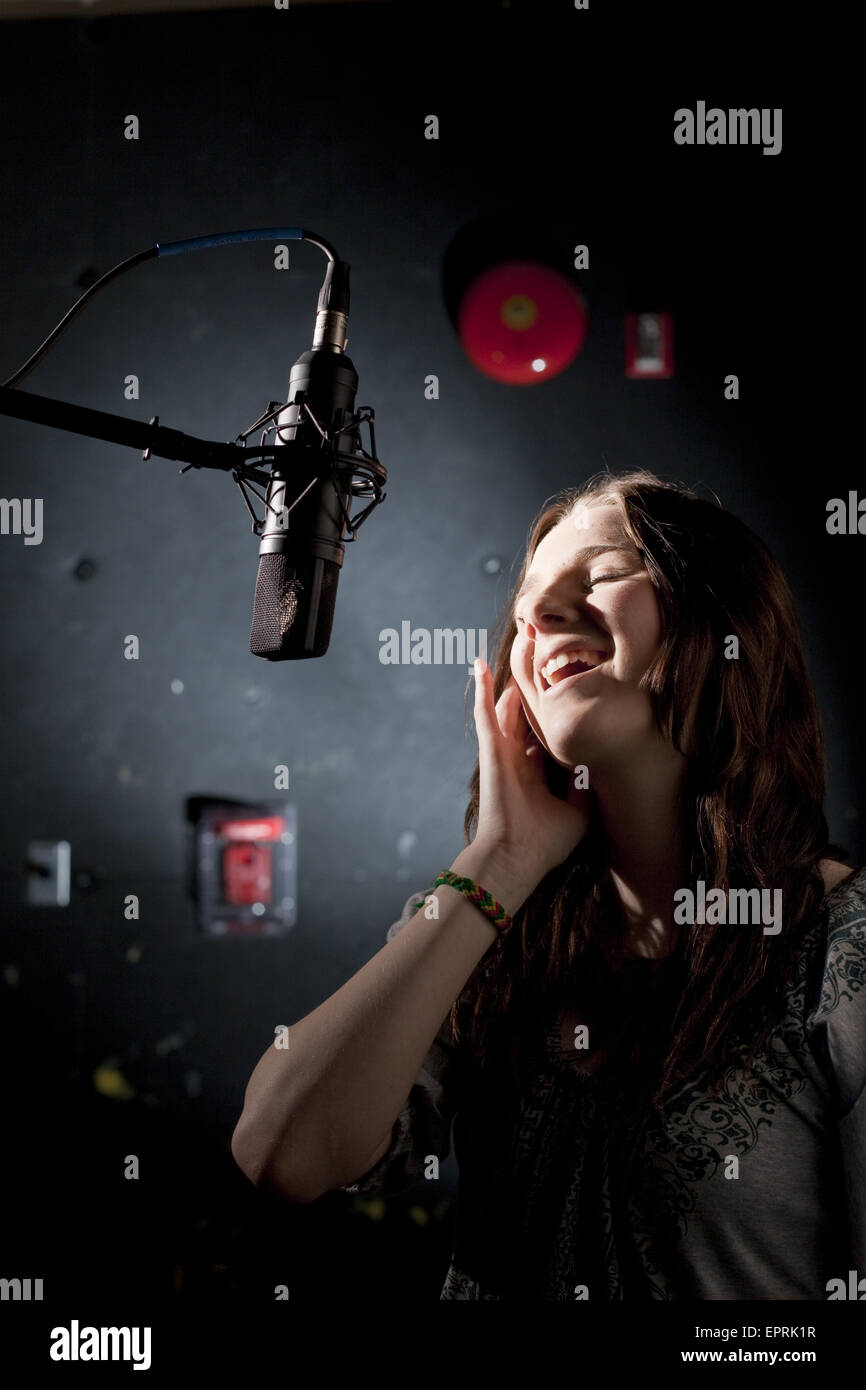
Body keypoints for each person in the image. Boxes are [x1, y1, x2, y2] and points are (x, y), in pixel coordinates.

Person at [231, 469, 865, 1300]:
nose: (537, 614)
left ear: (724, 622)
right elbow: (280, 1153)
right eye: (527, 602)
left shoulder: (840, 945)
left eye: (602, 573)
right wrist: (498, 859)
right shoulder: (487, 921)